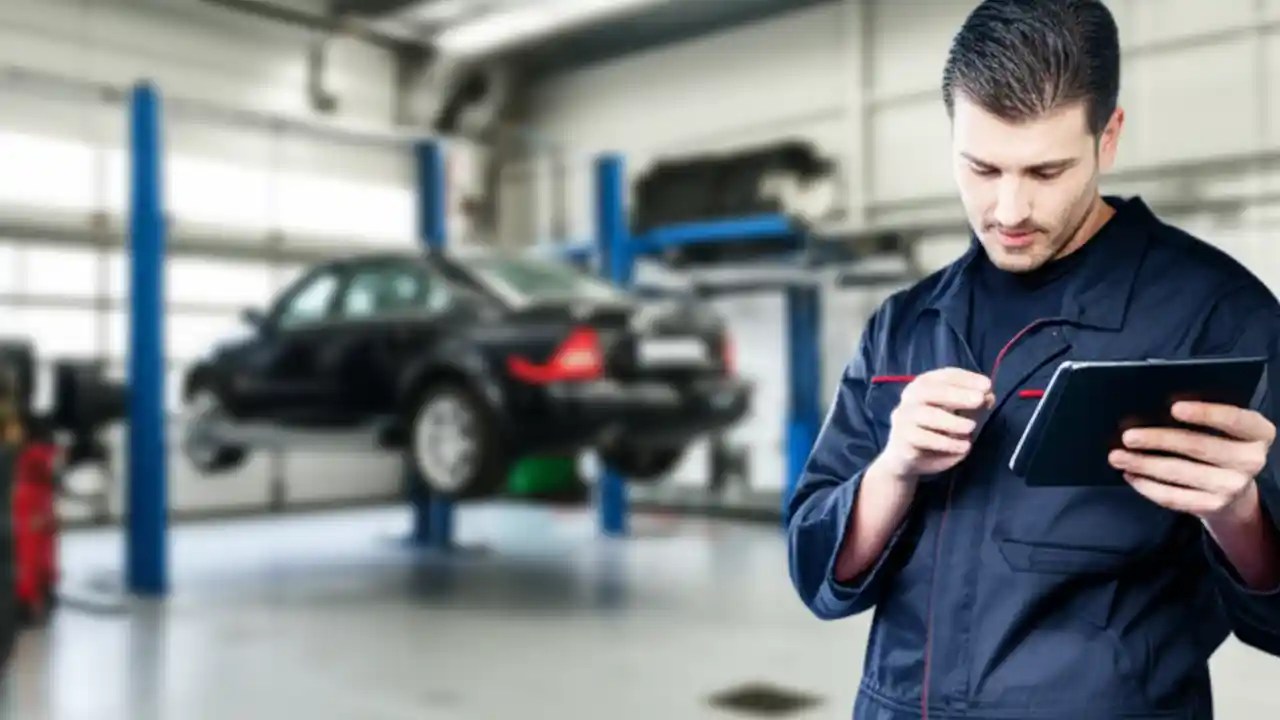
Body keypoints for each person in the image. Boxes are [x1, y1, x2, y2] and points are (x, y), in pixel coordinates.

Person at [785, 1, 1280, 718]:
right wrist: (893, 470)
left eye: (1046, 171)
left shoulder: (1217, 318)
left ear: (1108, 137)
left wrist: (1238, 515)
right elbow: (816, 572)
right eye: (981, 168)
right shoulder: (904, 325)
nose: (1009, 208)